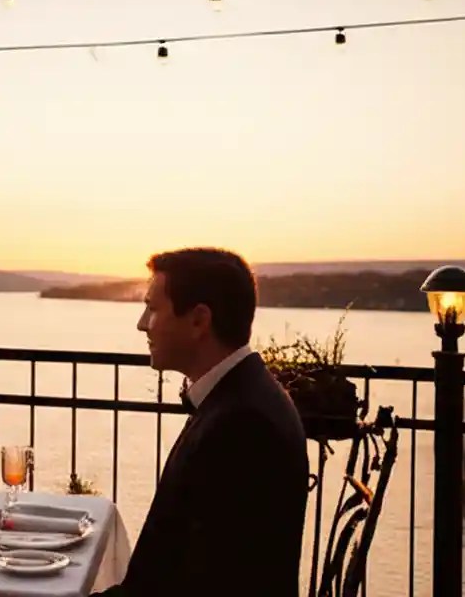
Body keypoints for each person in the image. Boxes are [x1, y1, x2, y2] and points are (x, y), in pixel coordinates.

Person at [96, 248, 308, 596]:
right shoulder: (240, 395)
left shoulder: (240, 425)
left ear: (198, 320)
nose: (141, 323)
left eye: (153, 308)